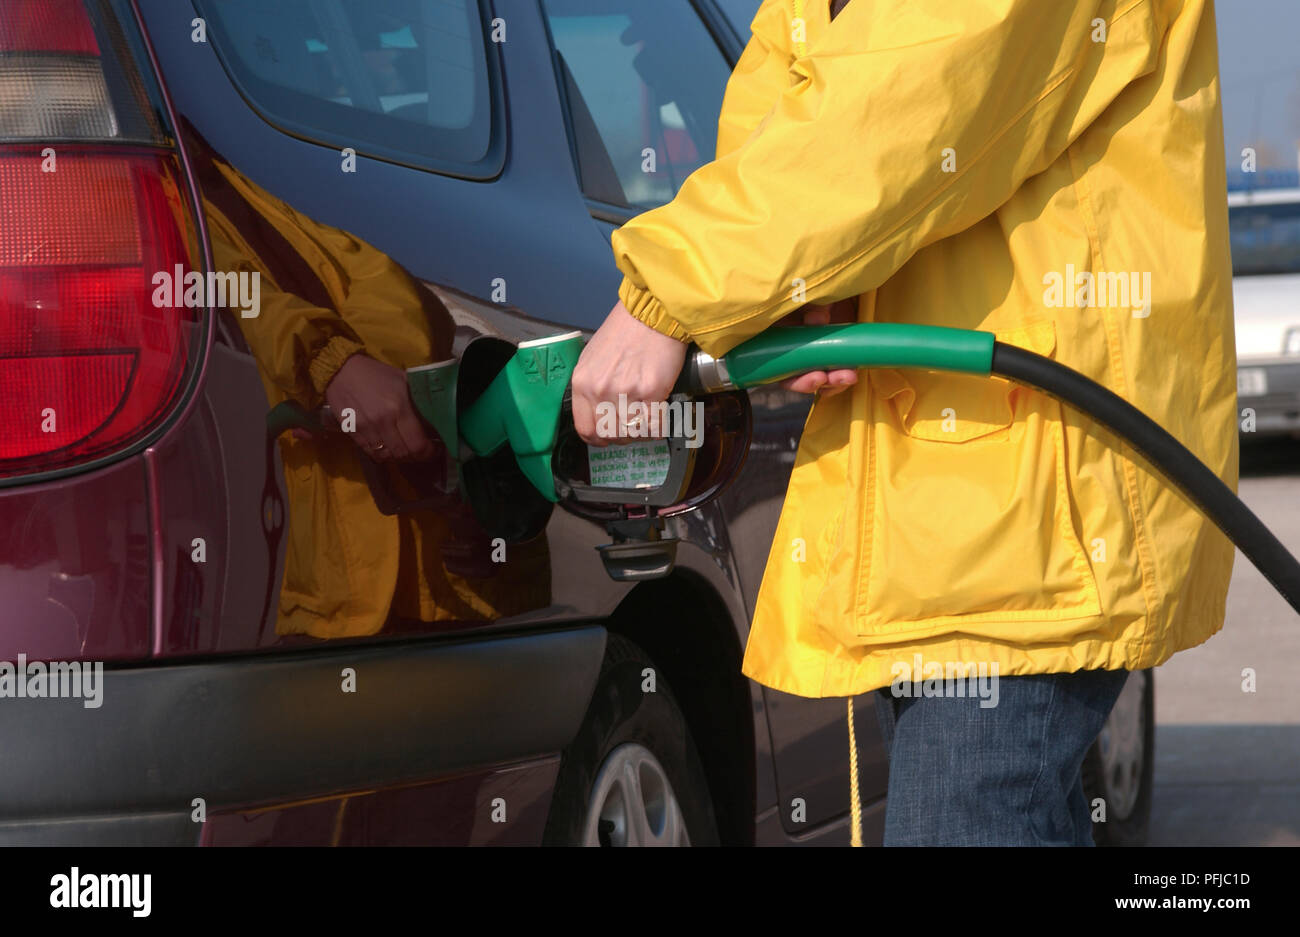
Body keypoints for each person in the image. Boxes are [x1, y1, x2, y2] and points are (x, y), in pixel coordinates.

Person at [571, 0, 1237, 845]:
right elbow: (801, 87)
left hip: (1032, 507)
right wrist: (807, 289)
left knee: (967, 815)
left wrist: (669, 295)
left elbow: (918, 82)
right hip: (951, 510)